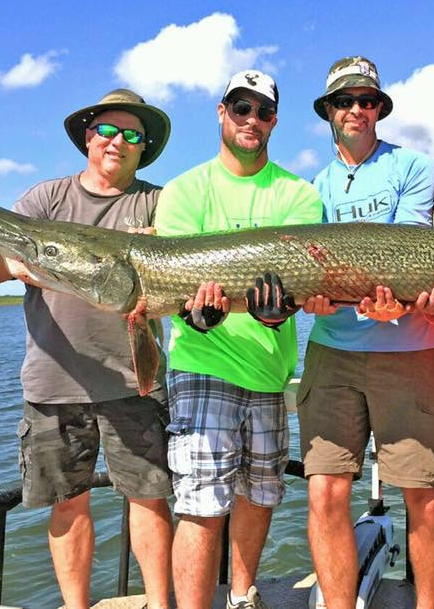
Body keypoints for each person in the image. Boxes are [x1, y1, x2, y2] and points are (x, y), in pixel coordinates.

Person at [0, 88, 175, 609]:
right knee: (68, 505)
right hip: (53, 379)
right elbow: (1, 269)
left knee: (149, 498)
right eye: (109, 131)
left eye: (132, 134)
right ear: (89, 138)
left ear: (145, 146)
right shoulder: (46, 200)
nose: (119, 141)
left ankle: (161, 604)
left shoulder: (159, 202)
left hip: (132, 378)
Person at [154, 70, 322, 609]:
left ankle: (242, 593)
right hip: (205, 363)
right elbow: (173, 283)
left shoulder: (298, 194)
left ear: (274, 121)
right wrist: (196, 316)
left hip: (270, 370)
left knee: (260, 494)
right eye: (241, 107)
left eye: (263, 111)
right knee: (202, 504)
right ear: (222, 112)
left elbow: (297, 289)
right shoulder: (183, 191)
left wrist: (275, 315)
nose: (252, 119)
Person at [298, 56, 434, 609]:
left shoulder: (412, 166)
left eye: (367, 100)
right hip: (331, 353)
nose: (357, 110)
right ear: (329, 112)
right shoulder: (308, 189)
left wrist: (406, 300)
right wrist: (309, 301)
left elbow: (409, 253)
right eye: (345, 101)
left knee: (423, 491)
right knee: (324, 489)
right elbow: (305, 275)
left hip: (408, 352)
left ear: (380, 109)